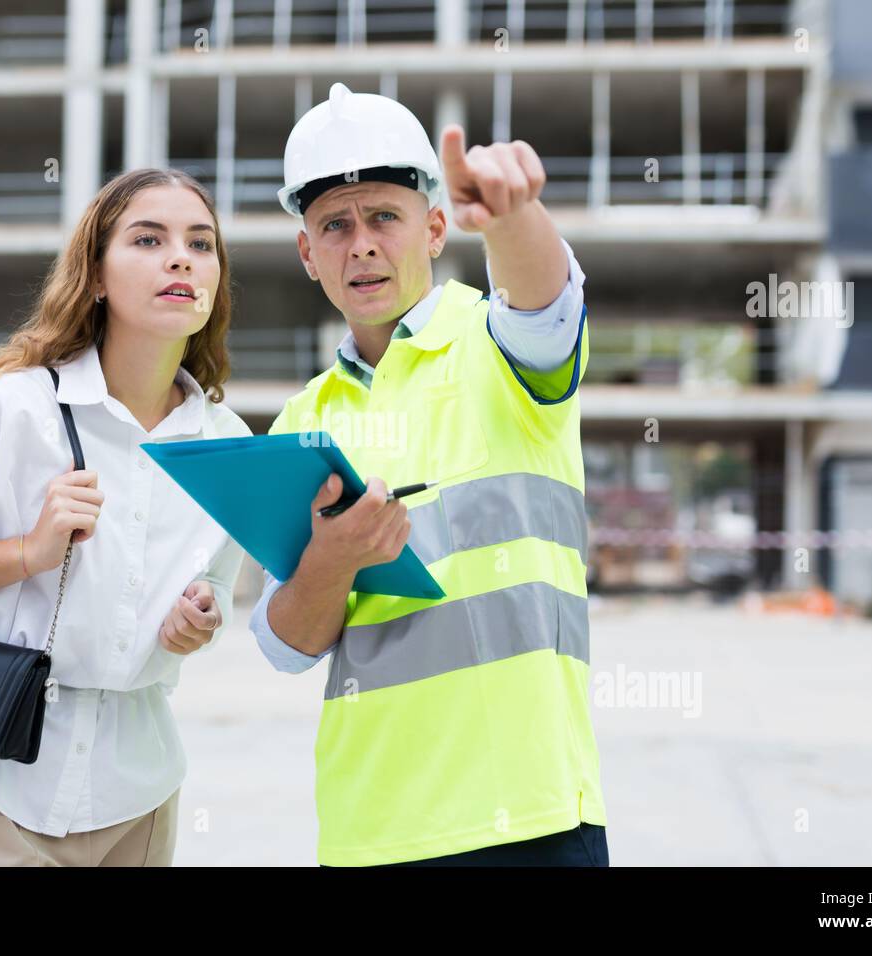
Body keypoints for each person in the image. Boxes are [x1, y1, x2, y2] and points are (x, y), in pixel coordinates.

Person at [249, 83, 607, 866]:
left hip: (529, 819)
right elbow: (287, 646)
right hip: (367, 831)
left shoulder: (499, 347)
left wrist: (511, 215)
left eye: (384, 217)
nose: (362, 245)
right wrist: (334, 560)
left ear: (437, 228)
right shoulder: (298, 423)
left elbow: (546, 307)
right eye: (334, 226)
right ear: (307, 255)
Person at [0, 168, 251, 866]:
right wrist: (28, 552)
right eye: (148, 239)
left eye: (201, 243)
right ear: (95, 275)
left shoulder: (229, 445)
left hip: (139, 797)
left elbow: (208, 587)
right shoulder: (18, 407)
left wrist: (199, 618)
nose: (181, 258)